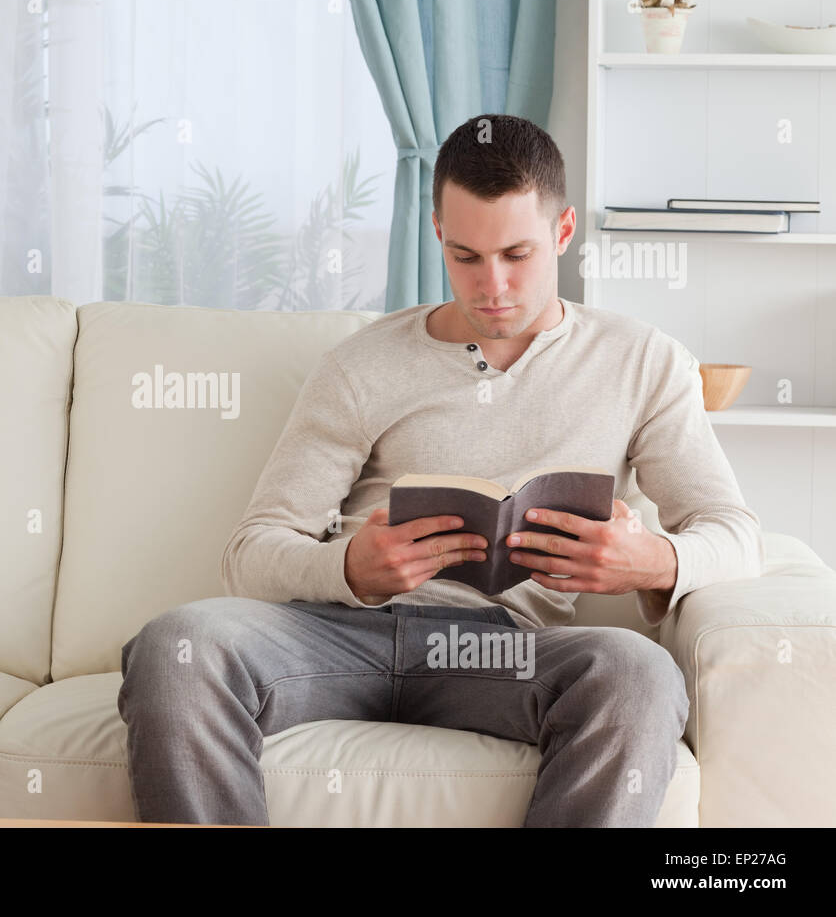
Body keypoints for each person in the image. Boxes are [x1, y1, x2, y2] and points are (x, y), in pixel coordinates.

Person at [117, 113, 765, 826]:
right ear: (437, 236)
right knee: (177, 647)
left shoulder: (643, 363)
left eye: (517, 254)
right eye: (466, 257)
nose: (492, 286)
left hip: (504, 649)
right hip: (338, 636)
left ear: (564, 232)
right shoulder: (361, 363)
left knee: (638, 674)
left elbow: (737, 535)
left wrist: (648, 560)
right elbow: (252, 552)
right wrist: (350, 571)